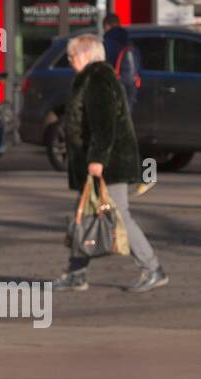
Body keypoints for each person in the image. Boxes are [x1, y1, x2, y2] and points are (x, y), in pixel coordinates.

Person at [55, 33, 166, 294]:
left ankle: (152, 268)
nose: (70, 60)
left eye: (72, 55)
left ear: (87, 54)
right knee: (84, 214)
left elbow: (104, 124)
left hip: (109, 162)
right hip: (101, 162)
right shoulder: (91, 78)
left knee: (117, 215)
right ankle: (76, 272)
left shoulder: (97, 79)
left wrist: (97, 159)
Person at [102, 14, 140, 113]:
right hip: (131, 88)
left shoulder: (108, 43)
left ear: (106, 26)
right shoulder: (130, 41)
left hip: (114, 89)